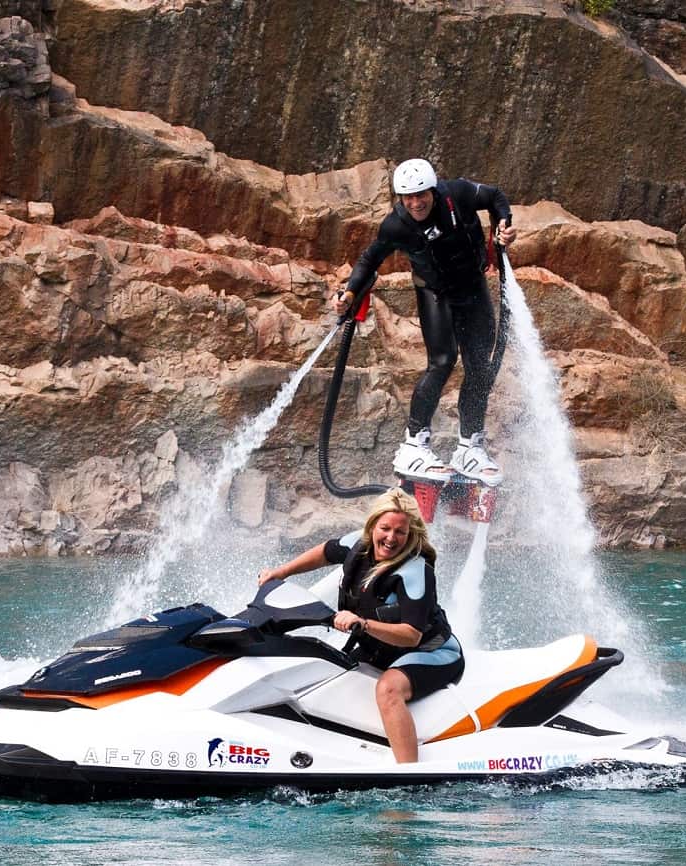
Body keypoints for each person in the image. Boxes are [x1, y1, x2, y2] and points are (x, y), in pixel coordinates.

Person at [334, 158, 516, 485]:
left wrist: (504, 224)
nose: (416, 203)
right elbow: (369, 259)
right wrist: (349, 293)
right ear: (401, 198)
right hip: (436, 293)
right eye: (408, 197)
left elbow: (496, 197)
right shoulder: (396, 225)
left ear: (432, 190)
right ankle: (414, 443)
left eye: (421, 195)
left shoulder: (458, 194)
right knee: (443, 361)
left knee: (480, 367)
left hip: (473, 287)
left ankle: (469, 446)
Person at [256, 488, 462, 763]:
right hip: (379, 649)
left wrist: (362, 624)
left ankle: (410, 778)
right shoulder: (359, 544)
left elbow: (411, 636)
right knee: (323, 673)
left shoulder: (415, 571)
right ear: (373, 525)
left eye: (400, 532)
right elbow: (325, 552)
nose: (391, 538)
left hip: (432, 652)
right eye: (385, 528)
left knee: (388, 690)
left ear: (410, 534)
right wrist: (280, 573)